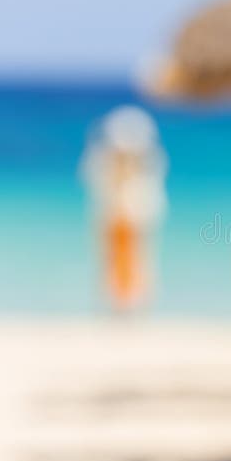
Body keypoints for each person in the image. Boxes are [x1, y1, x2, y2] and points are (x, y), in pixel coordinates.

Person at [81, 106, 167, 311]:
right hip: (120, 214)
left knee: (134, 259)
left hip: (131, 215)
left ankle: (130, 303)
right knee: (117, 259)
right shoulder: (136, 162)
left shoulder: (142, 165)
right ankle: (122, 303)